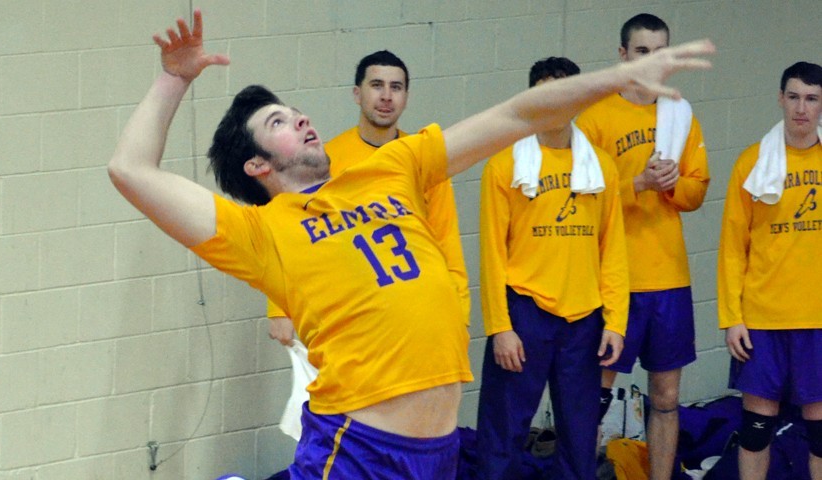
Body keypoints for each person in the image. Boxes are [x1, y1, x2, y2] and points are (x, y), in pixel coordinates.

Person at [107, 9, 713, 479]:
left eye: (296, 112)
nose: (300, 120)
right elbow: (131, 170)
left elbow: (516, 116)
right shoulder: (261, 233)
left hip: (440, 449)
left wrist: (615, 80)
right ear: (258, 168)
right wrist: (171, 78)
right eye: (278, 123)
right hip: (360, 449)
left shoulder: (391, 165)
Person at [476, 57, 628, 480]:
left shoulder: (602, 167)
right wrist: (500, 327)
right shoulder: (503, 166)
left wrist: (616, 321)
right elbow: (491, 255)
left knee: (580, 439)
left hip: (584, 319)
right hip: (524, 315)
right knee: (502, 434)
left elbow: (612, 248)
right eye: (547, 92)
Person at [576, 13, 710, 479]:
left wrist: (671, 186)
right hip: (615, 278)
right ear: (622, 56)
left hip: (668, 276)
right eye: (641, 52)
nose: (651, 62)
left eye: (660, 53)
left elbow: (696, 192)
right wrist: (637, 182)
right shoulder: (594, 116)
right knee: (593, 393)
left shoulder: (680, 113)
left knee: (667, 397)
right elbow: (582, 200)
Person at [267, 50, 469, 346]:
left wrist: (459, 315)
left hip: (416, 312)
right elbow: (288, 233)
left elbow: (447, 243)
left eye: (396, 87)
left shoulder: (425, 159)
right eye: (376, 85)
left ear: (406, 97)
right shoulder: (326, 160)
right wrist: (278, 307)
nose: (386, 96)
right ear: (357, 94)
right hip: (350, 314)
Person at [718, 61, 822, 480]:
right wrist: (731, 318)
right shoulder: (751, 163)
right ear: (780, 99)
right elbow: (731, 249)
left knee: (819, 435)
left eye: (812, 99)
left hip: (816, 319)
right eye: (794, 96)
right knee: (756, 432)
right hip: (762, 319)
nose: (802, 108)